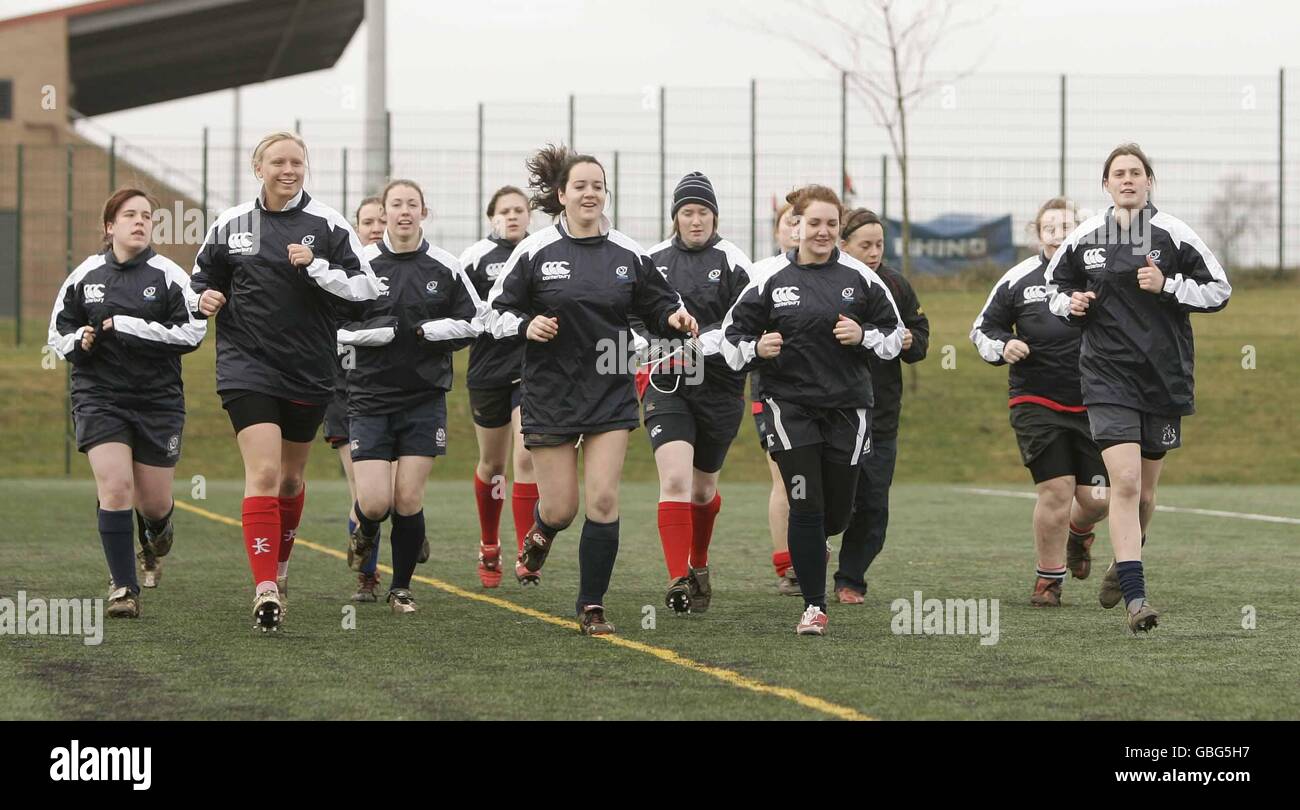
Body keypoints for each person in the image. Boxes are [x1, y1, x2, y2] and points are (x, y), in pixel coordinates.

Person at [486, 144, 697, 635]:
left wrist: (675, 316)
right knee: (562, 507)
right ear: (561, 195)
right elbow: (494, 311)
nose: (589, 193)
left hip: (611, 389)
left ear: (606, 194)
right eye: (579, 186)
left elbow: (661, 302)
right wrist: (526, 325)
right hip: (549, 392)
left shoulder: (629, 253)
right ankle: (542, 531)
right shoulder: (535, 251)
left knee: (603, 502)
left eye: (597, 186)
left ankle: (591, 605)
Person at [190, 131, 383, 632]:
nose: (289, 169)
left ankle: (279, 567)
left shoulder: (327, 224)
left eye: (297, 162)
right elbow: (201, 279)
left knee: (292, 480)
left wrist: (318, 266)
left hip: (309, 369)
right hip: (246, 367)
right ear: (259, 169)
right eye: (278, 162)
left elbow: (367, 288)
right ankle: (265, 588)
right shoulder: (231, 223)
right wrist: (204, 299)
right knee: (264, 474)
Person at [1044, 143, 1232, 633]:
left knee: (1146, 496)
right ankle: (1136, 598)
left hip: (1162, 379)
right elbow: (1053, 287)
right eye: (1117, 174)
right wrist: (1073, 303)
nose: (1127, 180)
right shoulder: (1086, 235)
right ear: (1105, 185)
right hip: (1106, 377)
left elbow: (1219, 290)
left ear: (1150, 181)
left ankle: (1120, 564)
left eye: (1135, 173)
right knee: (1123, 484)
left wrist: (1168, 285)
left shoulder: (1173, 234)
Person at [721, 184, 903, 636]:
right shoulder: (769, 279)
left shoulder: (861, 278)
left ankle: (818, 542)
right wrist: (756, 347)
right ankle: (813, 606)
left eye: (830, 224)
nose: (822, 231)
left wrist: (863, 336)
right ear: (797, 225)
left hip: (847, 407)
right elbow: (729, 338)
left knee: (837, 514)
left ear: (839, 230)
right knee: (804, 501)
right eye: (814, 222)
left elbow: (896, 335)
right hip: (790, 407)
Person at [48, 188, 206, 618]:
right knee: (116, 487)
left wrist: (130, 326)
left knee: (153, 503)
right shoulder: (85, 275)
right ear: (109, 226)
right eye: (130, 215)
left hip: (158, 400)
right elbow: (57, 333)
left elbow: (193, 332)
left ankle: (156, 534)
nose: (140, 222)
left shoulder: (169, 275)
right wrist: (79, 339)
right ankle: (123, 588)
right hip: (99, 396)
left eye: (146, 216)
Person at [341, 179, 481, 614]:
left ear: (424, 212)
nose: (404, 212)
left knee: (407, 499)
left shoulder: (445, 266)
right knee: (375, 502)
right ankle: (363, 531)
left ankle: (401, 587)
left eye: (412, 205)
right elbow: (331, 325)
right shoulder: (359, 264)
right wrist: (372, 334)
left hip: (423, 399)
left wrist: (435, 331)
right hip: (368, 398)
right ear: (384, 213)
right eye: (396, 205)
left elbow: (476, 320)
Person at [971, 197, 1110, 607]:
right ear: (1038, 233)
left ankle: (1079, 535)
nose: (1058, 232)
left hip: (1096, 401)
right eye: (1050, 226)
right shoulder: (1017, 279)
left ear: (1080, 230)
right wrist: (1004, 345)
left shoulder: (1098, 278)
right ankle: (1048, 581)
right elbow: (983, 328)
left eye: (1066, 225)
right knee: (1056, 489)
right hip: (1036, 400)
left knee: (1097, 501)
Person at [640, 172, 751, 614]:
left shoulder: (733, 260)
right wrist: (649, 347)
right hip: (668, 384)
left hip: (721, 387)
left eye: (703, 211)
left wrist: (701, 343)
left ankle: (699, 561)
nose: (696, 219)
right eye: (687, 212)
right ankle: (678, 578)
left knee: (703, 492)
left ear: (715, 216)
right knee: (675, 481)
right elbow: (633, 315)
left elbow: (744, 322)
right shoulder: (651, 261)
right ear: (675, 217)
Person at [833, 209, 930, 604]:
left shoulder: (895, 283)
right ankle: (807, 550)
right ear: (844, 246)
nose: (874, 253)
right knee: (831, 499)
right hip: (833, 410)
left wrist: (911, 342)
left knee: (872, 502)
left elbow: (918, 329)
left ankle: (850, 578)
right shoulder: (828, 283)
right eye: (865, 245)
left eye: (879, 245)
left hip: (881, 414)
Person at [460, 185, 537, 588]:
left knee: (526, 457)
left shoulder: (541, 252)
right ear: (492, 217)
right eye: (504, 211)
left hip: (531, 371)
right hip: (487, 372)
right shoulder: (473, 259)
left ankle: (528, 551)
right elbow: (457, 309)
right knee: (493, 466)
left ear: (529, 215)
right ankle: (490, 544)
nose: (512, 216)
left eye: (519, 210)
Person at [323, 196, 387, 602]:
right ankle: (367, 574)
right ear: (355, 228)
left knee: (394, 496)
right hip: (346, 394)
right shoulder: (341, 276)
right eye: (368, 221)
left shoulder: (406, 270)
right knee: (363, 493)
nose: (377, 226)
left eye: (383, 219)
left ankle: (405, 531)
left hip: (395, 394)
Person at [754, 201, 802, 595]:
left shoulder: (839, 274)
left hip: (827, 395)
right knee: (786, 480)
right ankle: (788, 565)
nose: (801, 229)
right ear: (777, 232)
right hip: (774, 394)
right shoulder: (761, 275)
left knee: (819, 482)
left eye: (809, 221)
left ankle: (811, 551)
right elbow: (738, 328)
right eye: (792, 222)